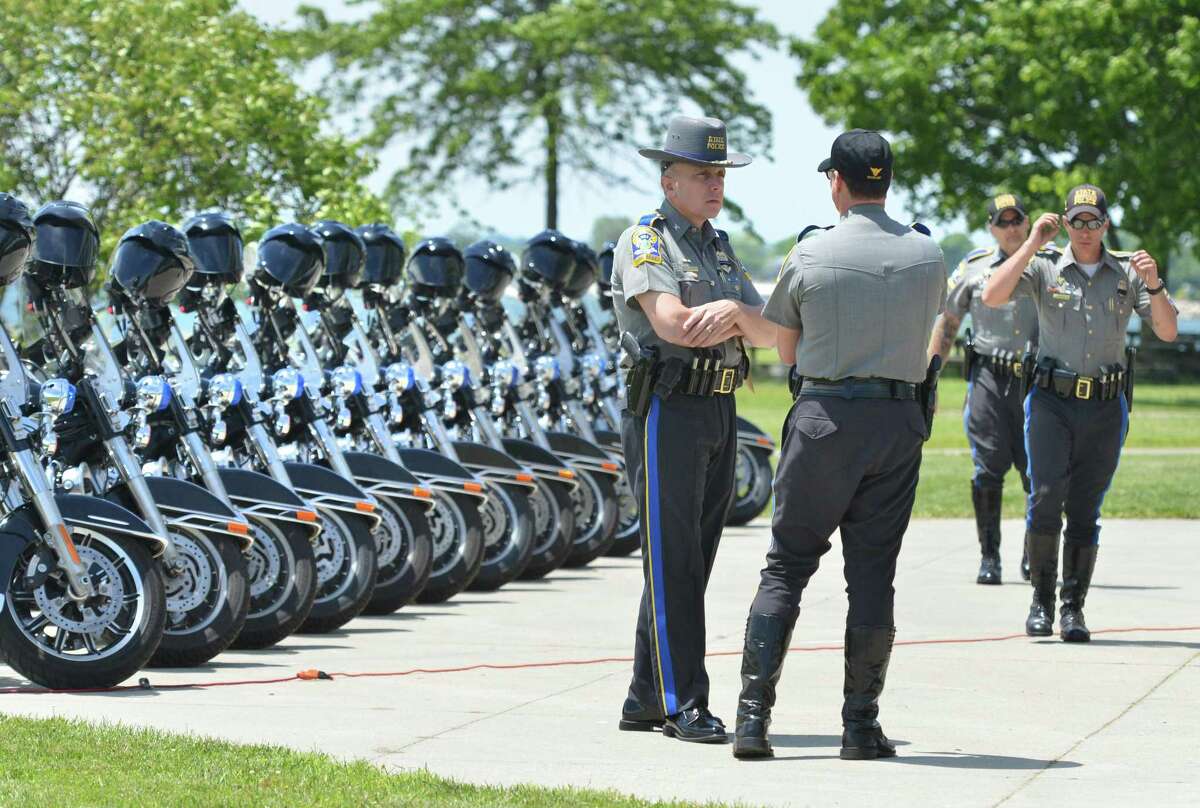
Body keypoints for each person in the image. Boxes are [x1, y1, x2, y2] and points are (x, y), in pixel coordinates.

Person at [732, 129, 946, 761]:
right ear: (888, 180)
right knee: (874, 574)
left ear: (838, 182)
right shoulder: (928, 253)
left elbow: (786, 349)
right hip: (898, 422)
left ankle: (752, 721)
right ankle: (860, 726)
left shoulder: (810, 253)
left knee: (787, 566)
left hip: (824, 419)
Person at [610, 115, 776, 744]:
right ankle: (684, 705)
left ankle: (644, 697)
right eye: (702, 174)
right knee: (673, 561)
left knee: (691, 560)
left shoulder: (718, 247)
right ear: (668, 180)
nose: (714, 185)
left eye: (720, 174)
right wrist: (736, 318)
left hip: (718, 406)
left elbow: (771, 332)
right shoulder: (647, 242)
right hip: (668, 407)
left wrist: (732, 314)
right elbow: (673, 324)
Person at [981, 184, 1178, 641]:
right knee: (1045, 496)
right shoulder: (1044, 266)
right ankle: (1041, 602)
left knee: (1086, 508)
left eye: (1093, 221)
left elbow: (1168, 331)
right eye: (1076, 220)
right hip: (1052, 401)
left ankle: (1073, 609)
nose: (1085, 229)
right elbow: (991, 295)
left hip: (1106, 405)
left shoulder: (1127, 273)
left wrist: (1154, 282)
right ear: (1065, 223)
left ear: (1105, 224)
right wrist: (1032, 242)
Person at [927, 194, 1039, 584]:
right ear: (991, 228)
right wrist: (930, 377)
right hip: (990, 378)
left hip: (1036, 380)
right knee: (987, 468)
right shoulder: (974, 267)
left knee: (1038, 471)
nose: (1011, 228)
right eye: (1002, 222)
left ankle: (1034, 555)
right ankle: (989, 557)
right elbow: (949, 321)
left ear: (1027, 222)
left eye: (1016, 220)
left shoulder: (1048, 264)